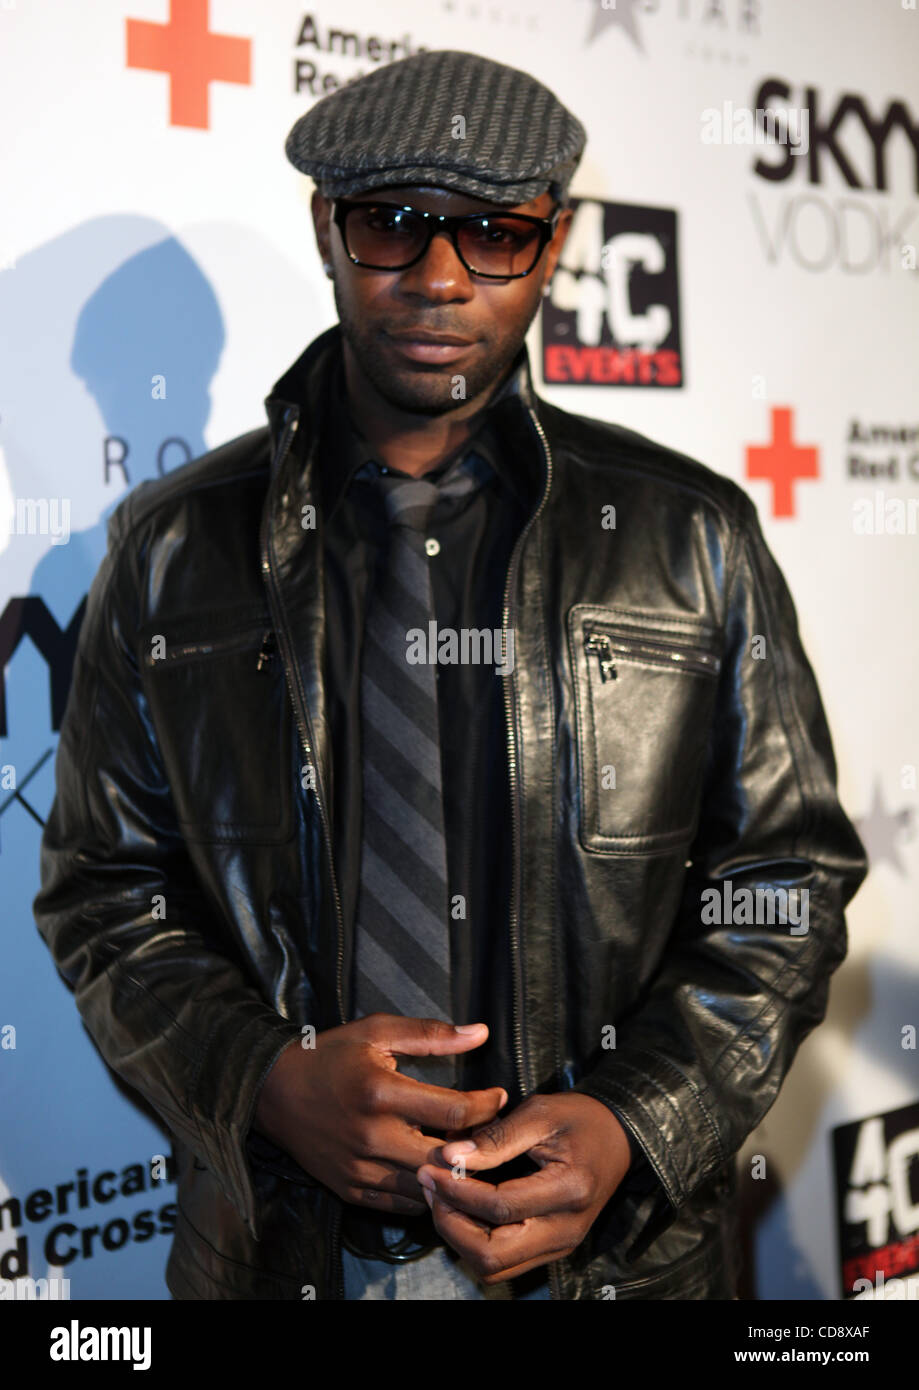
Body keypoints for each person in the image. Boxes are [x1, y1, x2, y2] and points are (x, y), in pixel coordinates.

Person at [34, 48, 867, 1301]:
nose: (438, 280)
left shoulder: (688, 537)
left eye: (493, 233)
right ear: (328, 227)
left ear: (555, 245)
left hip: (611, 1270)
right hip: (277, 1257)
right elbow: (104, 891)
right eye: (396, 226)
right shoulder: (171, 547)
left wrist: (635, 1122)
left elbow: (783, 885)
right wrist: (264, 1077)